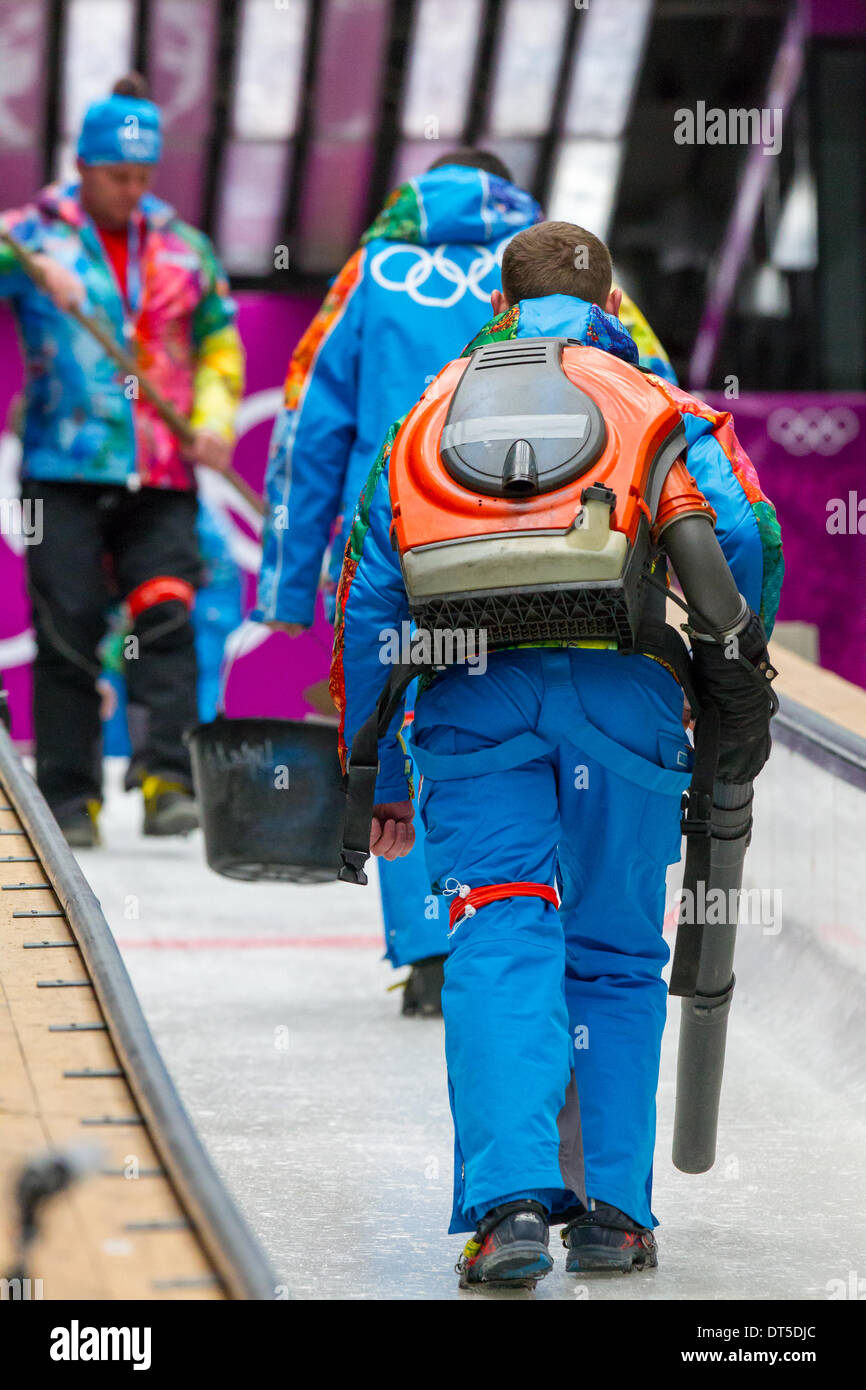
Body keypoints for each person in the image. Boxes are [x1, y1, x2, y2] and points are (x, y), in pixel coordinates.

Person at [330, 220, 783, 1287]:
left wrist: (378, 780)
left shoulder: (430, 409)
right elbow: (744, 532)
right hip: (624, 703)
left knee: (497, 930)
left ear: (500, 305)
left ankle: (509, 1212)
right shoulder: (648, 403)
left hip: (473, 708)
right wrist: (724, 672)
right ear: (608, 308)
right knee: (616, 955)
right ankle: (614, 1216)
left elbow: (366, 599)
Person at [254, 151, 673, 1013]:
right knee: (543, 725)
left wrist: (290, 588)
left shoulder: (371, 271)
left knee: (408, 717)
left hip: (406, 538)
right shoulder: (565, 273)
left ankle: (436, 949)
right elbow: (655, 395)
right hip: (562, 546)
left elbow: (309, 421)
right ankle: (539, 924)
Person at [0, 74, 244, 846]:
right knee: (67, 626)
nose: (132, 190)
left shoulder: (181, 243)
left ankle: (168, 779)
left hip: (163, 467)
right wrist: (32, 269)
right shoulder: (33, 232)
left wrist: (214, 420)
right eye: (117, 176)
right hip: (62, 467)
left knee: (168, 614)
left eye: (144, 176)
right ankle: (71, 801)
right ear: (83, 164)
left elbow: (219, 341)